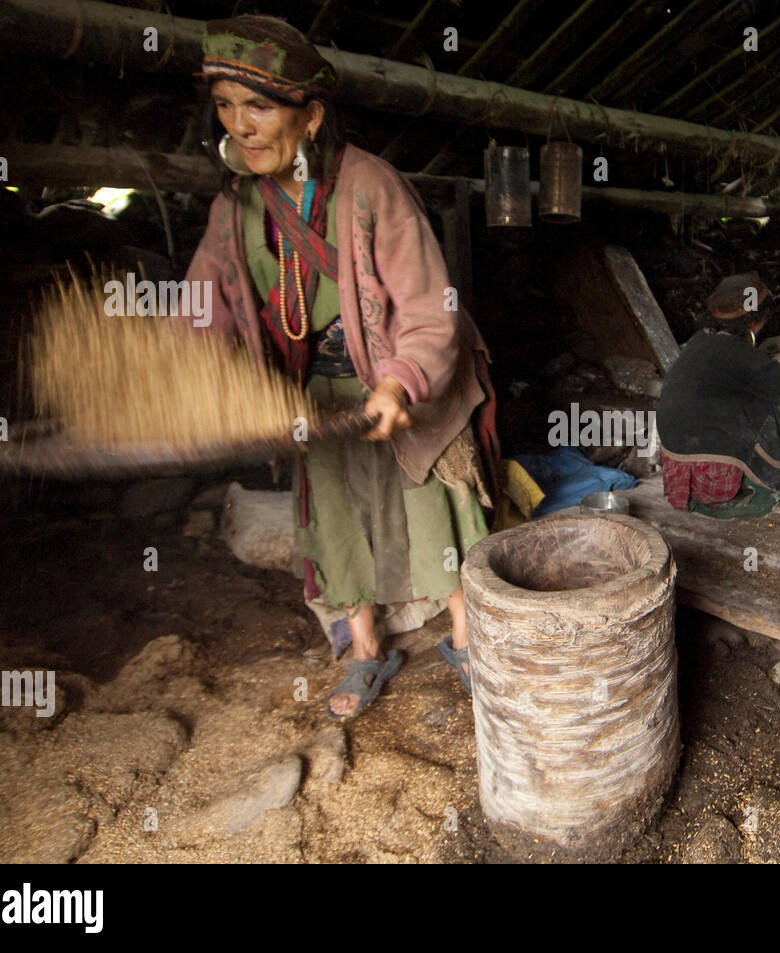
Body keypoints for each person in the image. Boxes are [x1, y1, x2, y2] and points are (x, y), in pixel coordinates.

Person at [184, 15, 497, 718]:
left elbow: (428, 302)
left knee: (434, 507)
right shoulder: (233, 209)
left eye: (259, 106)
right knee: (333, 518)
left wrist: (399, 381)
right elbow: (207, 307)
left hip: (408, 376)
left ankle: (470, 640)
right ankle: (365, 650)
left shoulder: (369, 186)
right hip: (312, 393)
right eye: (227, 106)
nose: (241, 125)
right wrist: (202, 383)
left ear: (312, 114)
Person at [656, 273, 780, 518]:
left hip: (678, 471)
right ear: (756, 320)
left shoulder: (698, 343)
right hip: (713, 474)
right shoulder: (737, 352)